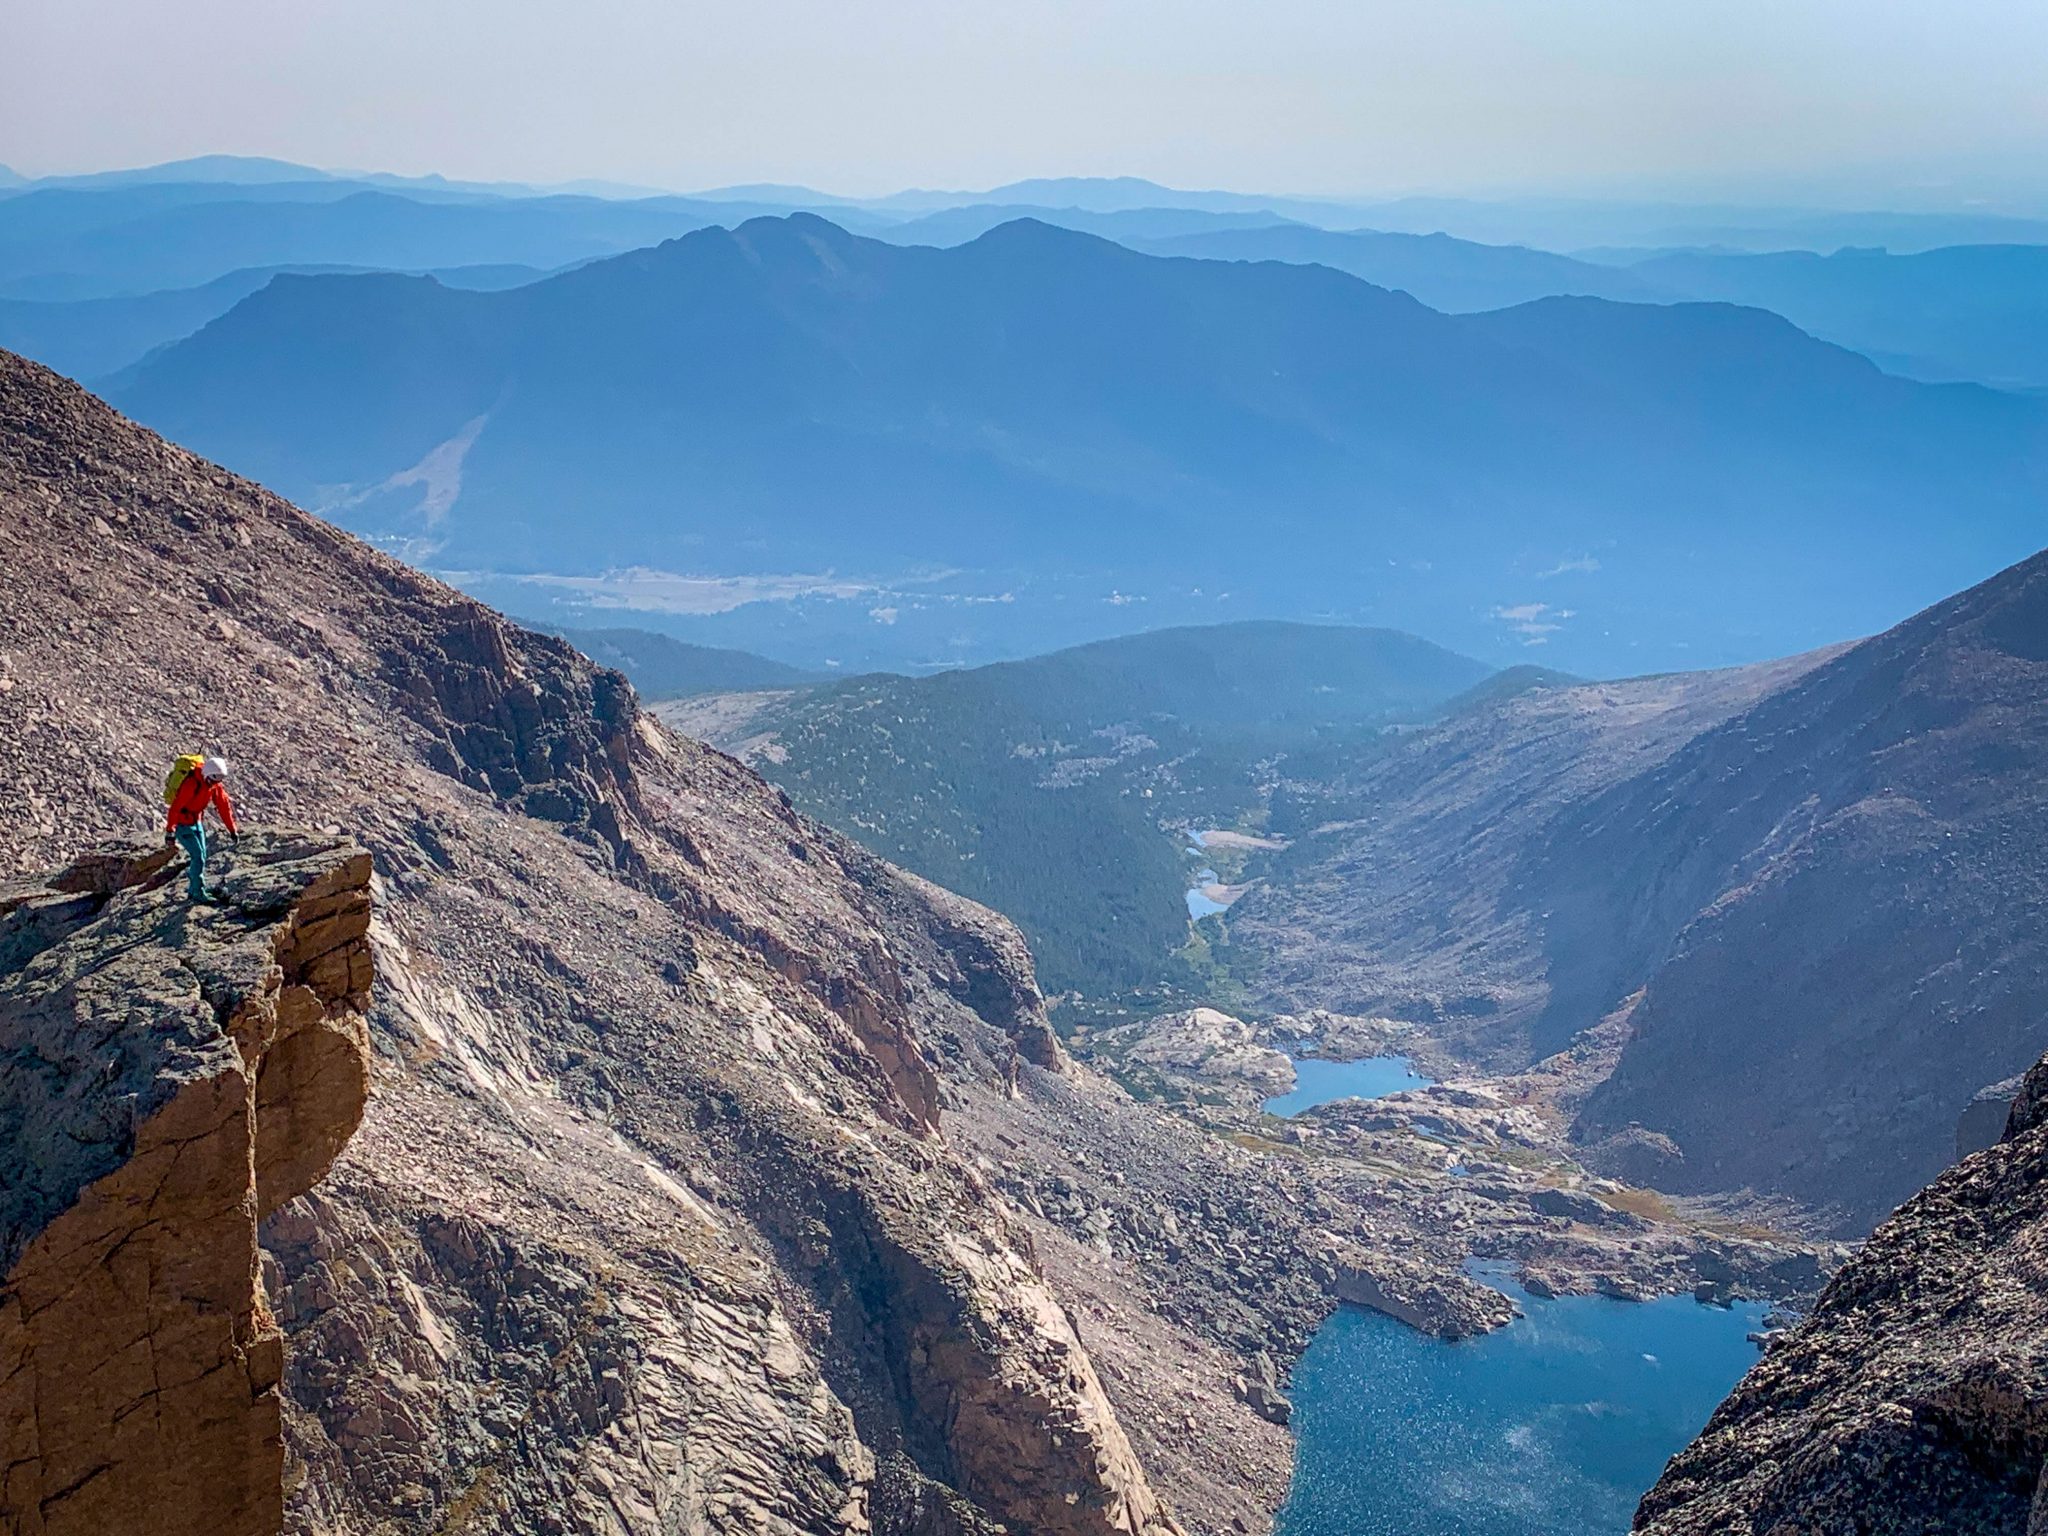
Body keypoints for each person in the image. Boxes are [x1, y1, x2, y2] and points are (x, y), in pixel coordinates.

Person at [165, 755, 238, 903]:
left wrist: (232, 829)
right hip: (182, 824)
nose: (214, 784)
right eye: (213, 780)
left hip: (196, 821)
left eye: (217, 781)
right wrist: (170, 831)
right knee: (198, 856)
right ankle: (197, 892)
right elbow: (176, 808)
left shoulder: (214, 785)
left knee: (202, 856)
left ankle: (195, 889)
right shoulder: (191, 783)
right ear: (207, 775)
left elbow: (224, 806)